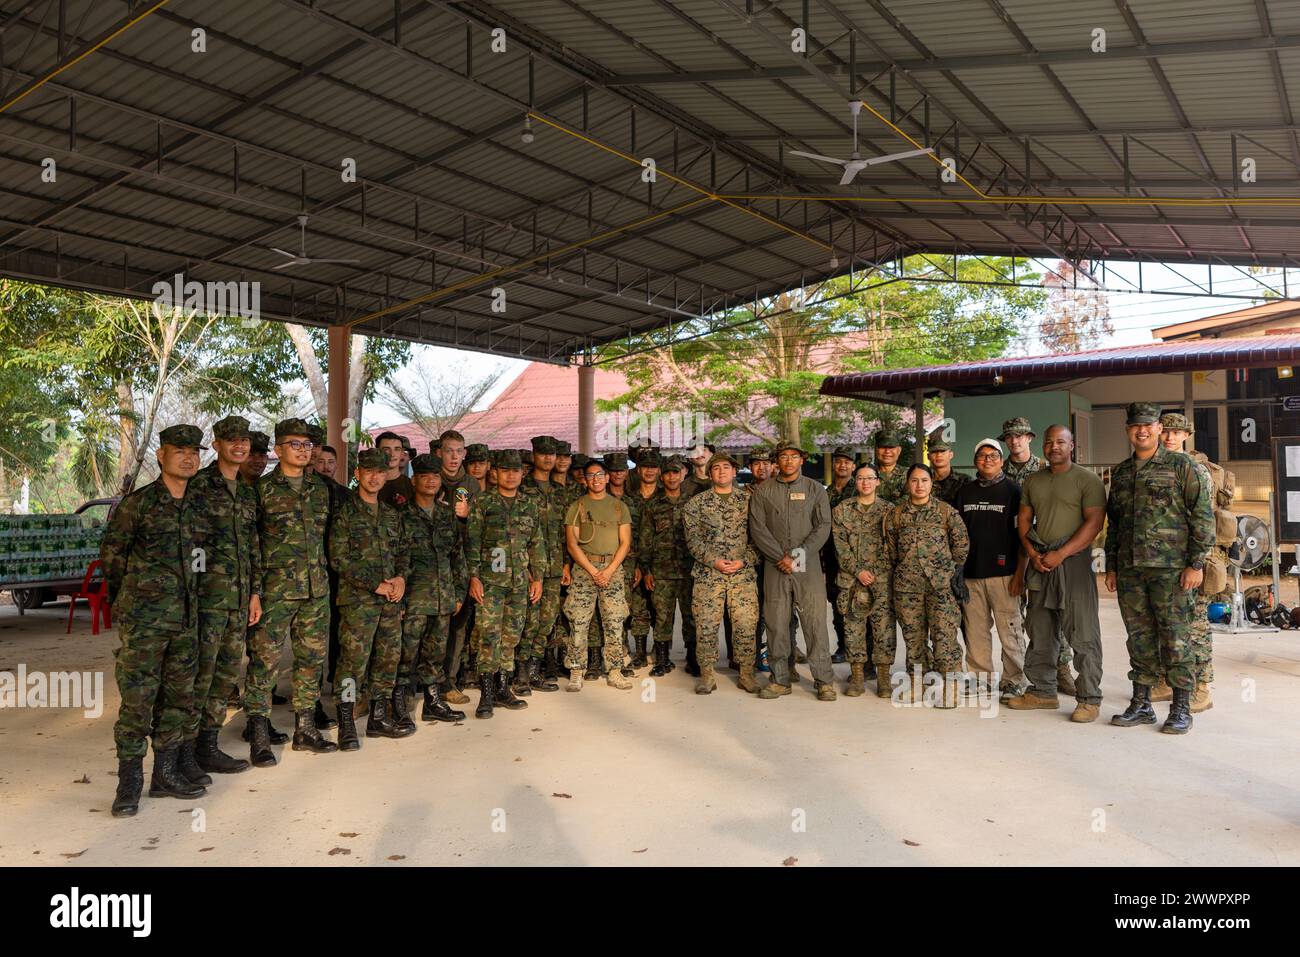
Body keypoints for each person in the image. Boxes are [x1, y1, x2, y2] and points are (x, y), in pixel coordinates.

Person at [102, 424, 206, 816]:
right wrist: (128, 605)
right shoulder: (138, 505)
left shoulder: (198, 508)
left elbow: (202, 563)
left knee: (178, 699)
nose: (188, 457)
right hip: (145, 623)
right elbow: (113, 558)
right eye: (179, 450)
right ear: (161, 456)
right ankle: (129, 782)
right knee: (137, 703)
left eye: (194, 451)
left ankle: (166, 774)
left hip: (186, 620)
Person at [1106, 403, 1214, 735]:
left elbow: (1203, 517)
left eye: (1148, 425)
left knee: (1176, 638)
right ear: (1128, 430)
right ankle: (1141, 704)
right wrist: (1111, 566)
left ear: (1158, 428)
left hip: (1171, 571)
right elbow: (1115, 524)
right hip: (1131, 571)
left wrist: (1196, 564)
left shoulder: (1183, 466)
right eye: (1135, 425)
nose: (1142, 430)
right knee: (1139, 638)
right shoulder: (1122, 472)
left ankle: (1181, 707)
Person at [246, 418, 338, 766]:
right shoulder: (262, 491)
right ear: (279, 449)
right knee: (264, 664)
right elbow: (252, 546)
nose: (302, 450)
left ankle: (305, 729)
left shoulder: (321, 490)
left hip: (316, 590)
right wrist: (254, 591)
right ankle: (258, 734)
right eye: (294, 444)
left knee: (311, 661)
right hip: (275, 591)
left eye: (306, 445)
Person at [1007, 425, 1107, 722]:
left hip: (1073, 564)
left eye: (1060, 442)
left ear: (1072, 445)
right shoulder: (1034, 481)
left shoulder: (1087, 480)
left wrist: (1060, 554)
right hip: (1040, 563)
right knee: (1039, 630)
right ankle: (1043, 691)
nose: (1054, 447)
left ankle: (1089, 698)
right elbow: (1023, 520)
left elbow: (1095, 523)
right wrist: (1034, 555)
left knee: (1083, 633)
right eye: (1049, 442)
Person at [184, 416, 261, 779]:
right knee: (199, 674)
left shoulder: (246, 492)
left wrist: (255, 594)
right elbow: (186, 547)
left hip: (239, 599)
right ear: (217, 445)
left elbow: (253, 548)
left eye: (244, 440)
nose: (239, 445)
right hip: (207, 600)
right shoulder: (197, 487)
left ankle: (208, 745)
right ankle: (184, 750)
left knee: (226, 674)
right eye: (231, 440)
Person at [329, 448, 413, 748]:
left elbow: (403, 552)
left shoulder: (392, 515)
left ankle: (378, 718)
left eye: (380, 472)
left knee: (387, 660)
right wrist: (374, 584)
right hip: (358, 603)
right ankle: (346, 721)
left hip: (390, 601)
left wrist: (401, 578)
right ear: (358, 475)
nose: (375, 477)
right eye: (369, 471)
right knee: (352, 663)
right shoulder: (344, 513)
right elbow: (338, 558)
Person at [749, 441, 836, 701]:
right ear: (777, 461)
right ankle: (780, 679)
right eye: (783, 456)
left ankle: (823, 680)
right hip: (774, 567)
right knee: (776, 623)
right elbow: (758, 528)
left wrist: (796, 556)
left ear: (802, 460)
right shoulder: (763, 492)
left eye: (794, 456)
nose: (788, 460)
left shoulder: (815, 489)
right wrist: (780, 557)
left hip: (806, 566)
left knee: (815, 622)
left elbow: (823, 526)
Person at [1156, 412, 1230, 713]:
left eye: (1177, 433)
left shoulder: (1198, 469)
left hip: (1191, 559)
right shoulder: (1155, 463)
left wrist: (1196, 563)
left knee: (1195, 626)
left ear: (1188, 434)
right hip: (1162, 560)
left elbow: (1203, 521)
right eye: (1166, 432)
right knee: (1164, 625)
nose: (1170, 437)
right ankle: (1166, 680)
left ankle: (1201, 687)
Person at [1001, 416, 1077, 697]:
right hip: (1008, 552)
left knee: (1050, 612)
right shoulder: (1000, 470)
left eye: (1020, 436)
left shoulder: (1046, 470)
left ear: (1030, 439)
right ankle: (1023, 673)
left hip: (1041, 553)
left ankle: (1062, 669)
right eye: (1009, 436)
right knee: (1015, 618)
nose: (1014, 441)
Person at [466, 450, 545, 716]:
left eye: (515, 471)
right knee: (488, 635)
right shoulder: (483, 502)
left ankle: (503, 688)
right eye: (505, 471)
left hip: (520, 582)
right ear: (495, 473)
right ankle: (486, 694)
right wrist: (474, 577)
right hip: (490, 582)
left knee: (511, 636)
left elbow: (536, 543)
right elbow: (473, 541)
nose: (511, 476)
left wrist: (539, 577)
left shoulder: (529, 504)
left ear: (522, 474)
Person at [884, 464, 970, 708]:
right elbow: (890, 549)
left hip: (940, 588)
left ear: (932, 483)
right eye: (914, 480)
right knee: (913, 639)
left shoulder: (945, 512)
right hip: (907, 588)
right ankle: (918, 683)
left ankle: (952, 687)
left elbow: (961, 543)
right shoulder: (897, 514)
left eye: (924, 480)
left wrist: (952, 571)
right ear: (907, 483)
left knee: (944, 638)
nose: (919, 485)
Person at [953, 438, 1027, 699]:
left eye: (993, 455)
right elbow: (956, 533)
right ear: (975, 461)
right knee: (975, 630)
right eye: (982, 456)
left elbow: (1023, 535)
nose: (987, 460)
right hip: (972, 574)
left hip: (1004, 574)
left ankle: (1014, 679)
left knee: (1010, 629)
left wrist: (1020, 573)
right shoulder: (965, 492)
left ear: (1001, 459)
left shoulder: (1014, 491)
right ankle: (980, 678)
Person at [683, 452, 760, 694]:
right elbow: (692, 540)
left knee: (746, 625)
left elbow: (760, 538)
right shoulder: (696, 504)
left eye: (727, 467)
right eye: (716, 468)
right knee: (706, 625)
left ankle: (746, 674)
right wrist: (714, 562)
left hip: (742, 575)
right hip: (709, 576)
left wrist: (743, 561)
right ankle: (707, 675)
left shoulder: (750, 502)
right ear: (709, 473)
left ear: (734, 471)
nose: (722, 472)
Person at [397, 454, 467, 722]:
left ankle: (432, 703)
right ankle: (400, 705)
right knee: (405, 655)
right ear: (414, 481)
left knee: (435, 655)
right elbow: (395, 561)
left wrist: (458, 593)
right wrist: (399, 601)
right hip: (412, 600)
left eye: (435, 477)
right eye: (425, 476)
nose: (430, 481)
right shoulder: (402, 516)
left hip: (442, 598)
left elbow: (457, 557)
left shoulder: (447, 516)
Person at [563, 458, 634, 691]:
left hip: (612, 569)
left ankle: (614, 670)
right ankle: (576, 669)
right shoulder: (578, 506)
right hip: (585, 570)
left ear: (606, 477)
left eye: (599, 475)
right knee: (579, 621)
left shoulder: (618, 506)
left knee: (614, 620)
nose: (596, 479)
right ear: (585, 480)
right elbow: (572, 544)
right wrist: (594, 571)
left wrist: (609, 570)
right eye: (590, 475)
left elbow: (625, 542)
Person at [831, 463, 895, 698]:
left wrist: (874, 572)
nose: (865, 482)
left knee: (884, 630)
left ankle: (884, 679)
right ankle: (857, 676)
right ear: (855, 482)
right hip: (851, 580)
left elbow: (893, 547)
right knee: (853, 629)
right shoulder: (842, 510)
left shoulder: (889, 510)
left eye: (870, 478)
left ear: (878, 481)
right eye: (860, 478)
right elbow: (840, 546)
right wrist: (858, 571)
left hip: (881, 581)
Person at [642, 454, 699, 679]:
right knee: (662, 616)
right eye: (667, 473)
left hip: (689, 571)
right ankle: (663, 659)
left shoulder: (693, 503)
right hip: (662, 571)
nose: (671, 477)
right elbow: (645, 538)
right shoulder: (653, 505)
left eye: (675, 472)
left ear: (683, 473)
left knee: (691, 615)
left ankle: (692, 658)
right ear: (661, 476)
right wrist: (646, 569)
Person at [517, 436, 565, 694]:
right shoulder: (522, 488)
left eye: (552, 454)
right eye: (543, 453)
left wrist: (566, 564)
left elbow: (566, 532)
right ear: (534, 455)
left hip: (555, 566)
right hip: (528, 567)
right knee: (528, 621)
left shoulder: (559, 491)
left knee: (546, 621)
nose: (548, 458)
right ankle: (521, 673)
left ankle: (535, 671)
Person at [442, 433, 480, 704]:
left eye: (458, 451)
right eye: (448, 451)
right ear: (439, 453)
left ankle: (448, 681)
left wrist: (468, 516)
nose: (454, 457)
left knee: (458, 625)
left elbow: (481, 524)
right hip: (432, 564)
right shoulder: (429, 477)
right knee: (425, 626)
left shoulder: (472, 484)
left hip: (462, 562)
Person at [604, 452, 645, 678]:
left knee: (628, 609)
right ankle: (616, 657)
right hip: (605, 562)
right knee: (612, 611)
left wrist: (638, 564)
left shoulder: (633, 500)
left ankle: (625, 652)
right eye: (613, 470)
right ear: (607, 474)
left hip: (629, 563)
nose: (618, 473)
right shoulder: (599, 498)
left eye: (621, 470)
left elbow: (639, 536)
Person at [824, 446, 857, 664]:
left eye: (847, 462)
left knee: (857, 604)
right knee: (837, 603)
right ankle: (843, 646)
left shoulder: (860, 488)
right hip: (832, 556)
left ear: (853, 466)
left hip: (856, 557)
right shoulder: (825, 493)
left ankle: (859, 649)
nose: (842, 465)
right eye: (838, 461)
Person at [928, 434, 969, 505]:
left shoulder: (964, 481)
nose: (938, 455)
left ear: (951, 455)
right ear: (928, 456)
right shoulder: (924, 482)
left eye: (942, 451)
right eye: (934, 452)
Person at [376, 431, 414, 506]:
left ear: (402, 453)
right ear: (377, 452)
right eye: (386, 449)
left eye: (397, 449)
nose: (392, 454)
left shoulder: (412, 486)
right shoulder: (369, 484)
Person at [873, 431, 907, 504]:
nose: (887, 451)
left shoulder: (910, 475)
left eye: (891, 447)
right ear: (876, 450)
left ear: (899, 450)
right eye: (883, 447)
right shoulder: (867, 474)